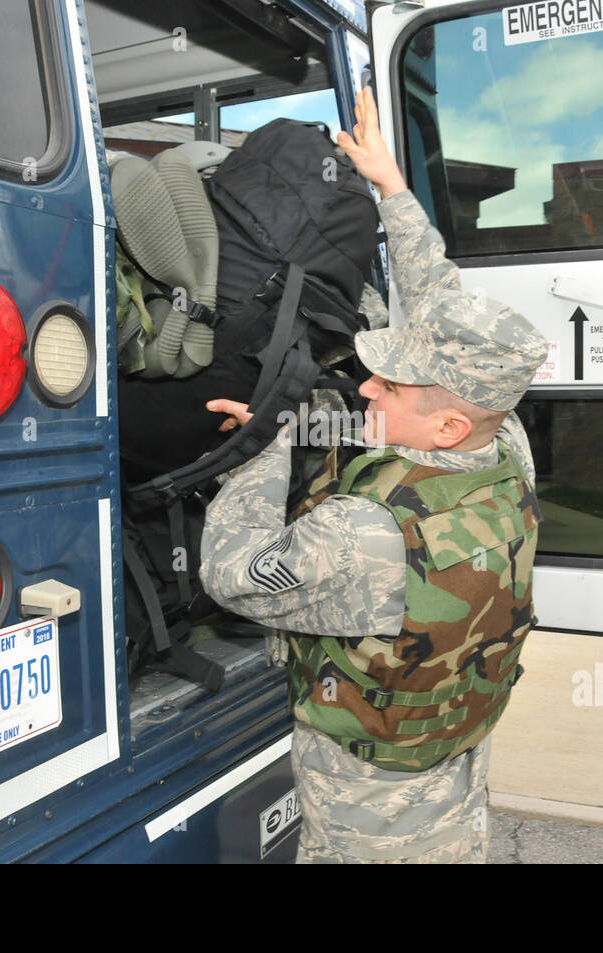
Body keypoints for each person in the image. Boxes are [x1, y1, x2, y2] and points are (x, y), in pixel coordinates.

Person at [199, 88, 549, 863]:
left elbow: (230, 571)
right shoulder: (507, 450)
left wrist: (264, 442)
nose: (365, 387)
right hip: (458, 770)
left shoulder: (364, 534)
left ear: (449, 424)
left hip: (368, 809)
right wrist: (392, 186)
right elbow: (445, 312)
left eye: (389, 386)